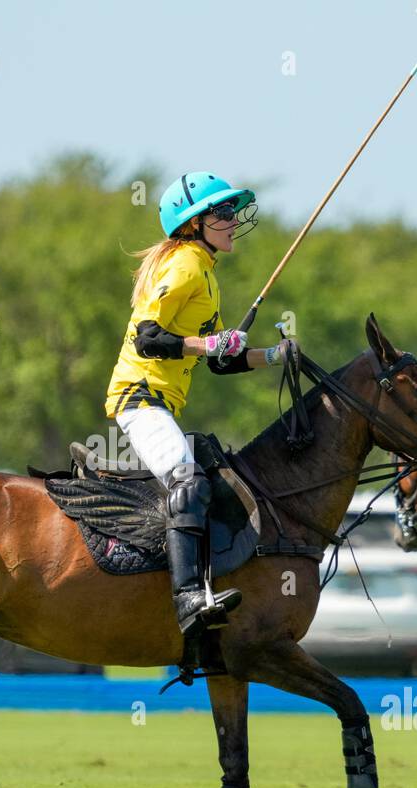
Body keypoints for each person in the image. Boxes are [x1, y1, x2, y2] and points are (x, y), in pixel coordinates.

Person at [104, 171, 290, 636]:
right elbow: (149, 339)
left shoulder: (205, 271)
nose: (232, 220)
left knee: (201, 480)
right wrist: (210, 345)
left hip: (159, 400)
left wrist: (272, 355)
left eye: (232, 211)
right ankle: (187, 597)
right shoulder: (186, 263)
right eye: (221, 213)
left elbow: (222, 363)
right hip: (138, 394)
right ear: (192, 224)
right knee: (188, 480)